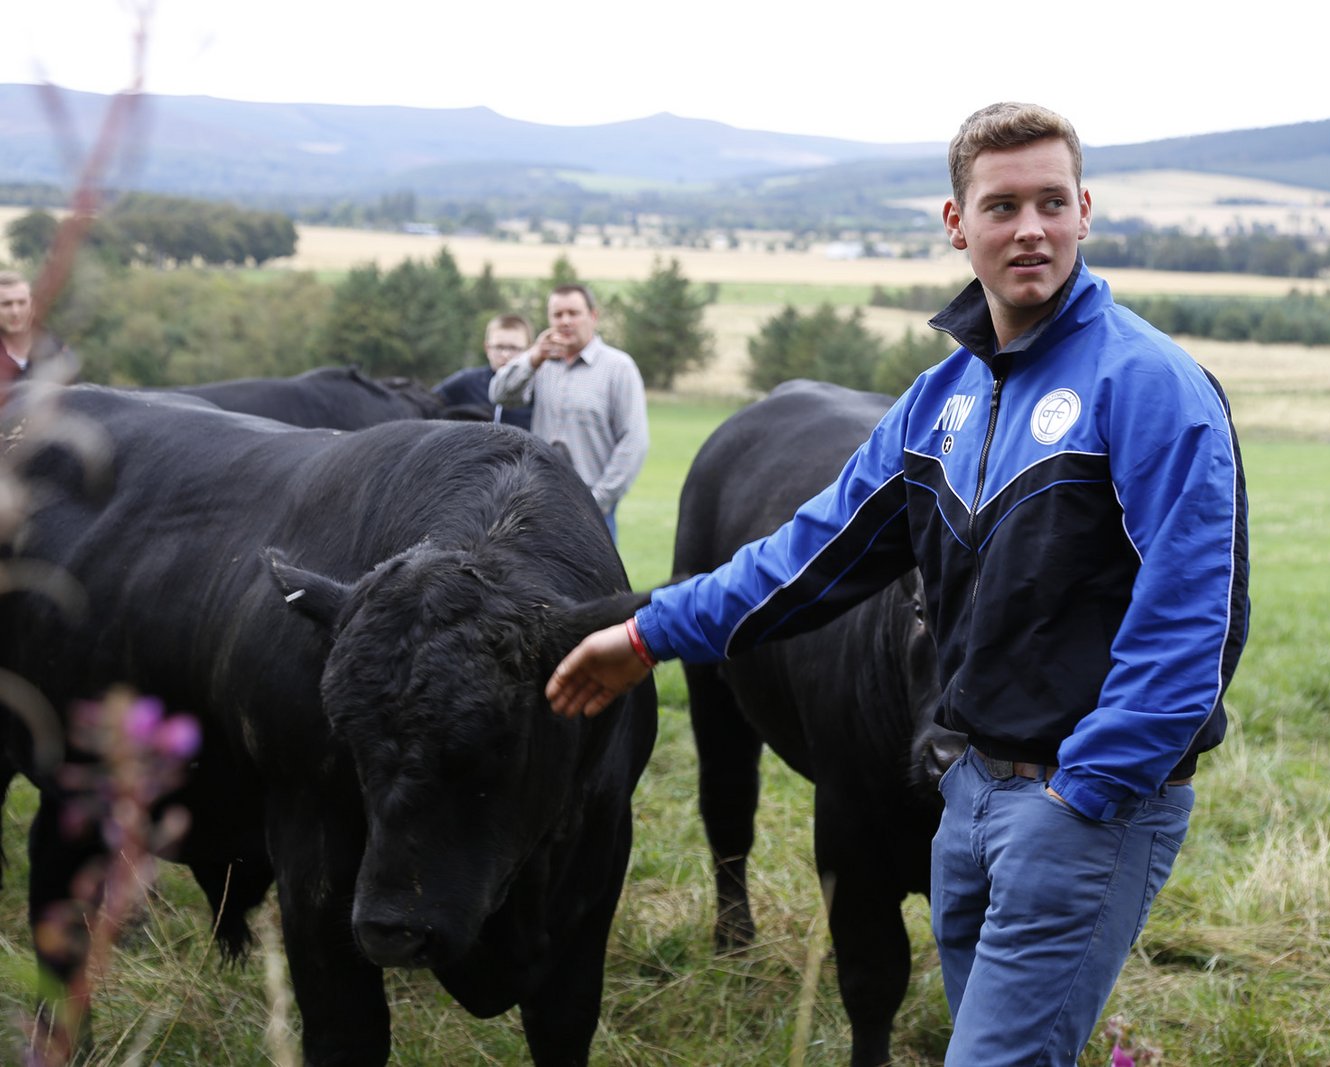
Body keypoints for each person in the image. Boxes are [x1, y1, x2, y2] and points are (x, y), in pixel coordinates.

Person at [545, 102, 1250, 1065]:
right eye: (1002, 206)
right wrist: (645, 634)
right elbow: (804, 559)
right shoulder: (943, 401)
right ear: (958, 224)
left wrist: (1084, 796)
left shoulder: (1152, 385)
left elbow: (1195, 626)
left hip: (1078, 805)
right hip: (968, 790)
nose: (1031, 228)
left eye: (1052, 201)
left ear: (1085, 210)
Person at [488, 284, 648, 539]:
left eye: (573, 313)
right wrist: (532, 358)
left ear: (593, 316)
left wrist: (597, 501)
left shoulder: (619, 368)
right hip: (539, 504)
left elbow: (634, 442)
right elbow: (500, 394)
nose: (565, 321)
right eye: (557, 315)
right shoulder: (541, 363)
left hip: (594, 509)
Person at [432, 313, 536, 430]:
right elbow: (427, 403)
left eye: (513, 348)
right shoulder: (467, 382)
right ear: (487, 348)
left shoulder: (537, 389)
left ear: (529, 350)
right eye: (499, 347)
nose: (505, 354)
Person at [0, 271, 79, 392]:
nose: (15, 312)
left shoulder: (56, 352)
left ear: (31, 305)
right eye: (6, 304)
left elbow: (77, 399)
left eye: (22, 303)